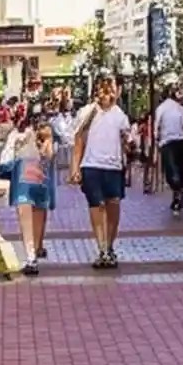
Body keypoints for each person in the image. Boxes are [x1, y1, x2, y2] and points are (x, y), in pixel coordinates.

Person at [70, 78, 131, 268]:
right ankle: (102, 248)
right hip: (91, 165)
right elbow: (78, 139)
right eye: (104, 89)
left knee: (113, 206)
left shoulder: (121, 116)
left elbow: (126, 143)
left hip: (114, 167)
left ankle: (110, 246)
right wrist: (75, 168)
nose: (108, 94)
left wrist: (128, 145)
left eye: (111, 89)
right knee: (97, 206)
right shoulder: (87, 112)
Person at [1, 123, 56, 275]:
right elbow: (49, 156)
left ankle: (31, 255)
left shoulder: (20, 136)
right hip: (37, 182)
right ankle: (33, 254)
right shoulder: (25, 136)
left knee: (27, 218)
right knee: (34, 216)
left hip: (25, 180)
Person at [155, 85, 183, 212]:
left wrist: (156, 141)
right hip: (181, 141)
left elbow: (157, 125)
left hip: (168, 142)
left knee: (170, 170)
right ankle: (179, 194)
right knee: (180, 169)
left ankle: (176, 188)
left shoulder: (161, 108)